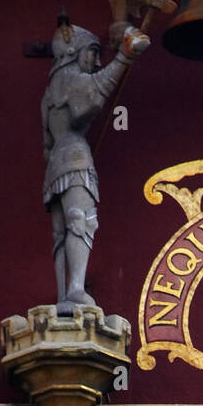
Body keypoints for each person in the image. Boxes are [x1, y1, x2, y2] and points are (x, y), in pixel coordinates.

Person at [42, 17, 150, 311]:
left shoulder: (53, 87)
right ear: (73, 52)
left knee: (63, 231)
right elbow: (95, 92)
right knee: (82, 221)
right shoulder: (70, 79)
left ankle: (66, 293)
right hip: (75, 157)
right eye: (92, 52)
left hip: (56, 161)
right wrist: (125, 55)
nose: (96, 61)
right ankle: (75, 289)